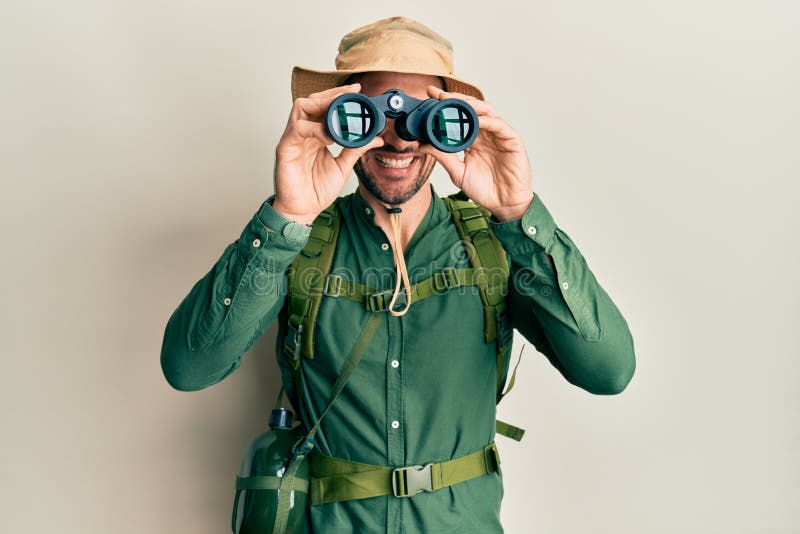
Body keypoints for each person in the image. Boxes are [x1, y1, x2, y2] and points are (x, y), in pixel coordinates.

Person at [160, 16, 636, 533]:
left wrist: (520, 216)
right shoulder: (301, 244)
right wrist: (287, 217)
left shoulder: (491, 247)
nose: (399, 139)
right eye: (372, 113)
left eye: (420, 116)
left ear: (450, 121)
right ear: (340, 115)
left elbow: (609, 371)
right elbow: (188, 368)